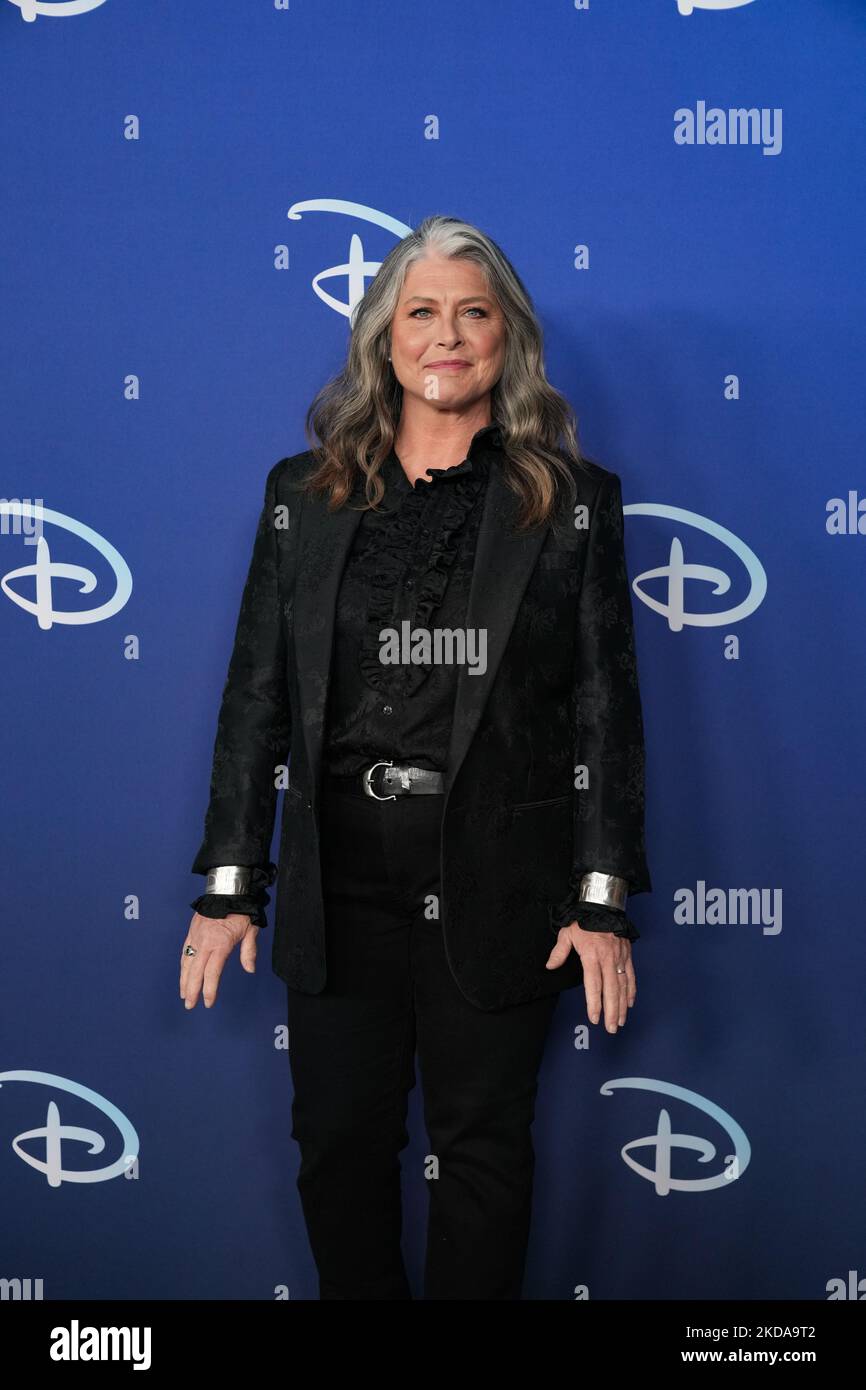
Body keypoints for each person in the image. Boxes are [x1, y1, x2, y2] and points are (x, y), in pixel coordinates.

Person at [180, 215, 652, 1300]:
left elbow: (602, 710)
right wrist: (228, 882)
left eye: (472, 313)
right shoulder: (302, 494)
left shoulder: (571, 503)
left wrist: (600, 898)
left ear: (508, 340)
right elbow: (256, 695)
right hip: (339, 877)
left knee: (481, 1156)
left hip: (499, 876)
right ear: (382, 340)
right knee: (337, 1152)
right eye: (421, 312)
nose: (447, 336)